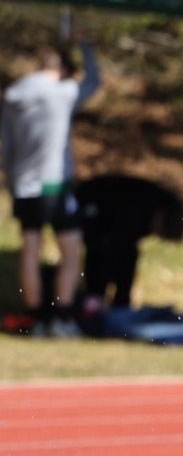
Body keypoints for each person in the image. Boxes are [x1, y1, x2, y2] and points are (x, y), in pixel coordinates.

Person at [3, 39, 101, 337]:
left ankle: (33, 317)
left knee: (30, 249)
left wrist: (10, 179)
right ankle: (62, 317)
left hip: (23, 184)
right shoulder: (61, 92)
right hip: (54, 184)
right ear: (62, 70)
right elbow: (94, 81)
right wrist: (85, 47)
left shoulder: (14, 95)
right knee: (70, 250)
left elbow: (5, 146)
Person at [75, 173, 183, 311]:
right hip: (94, 208)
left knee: (126, 255)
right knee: (103, 254)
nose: (155, 236)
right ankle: (95, 300)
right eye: (160, 234)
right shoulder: (140, 209)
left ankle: (118, 304)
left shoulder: (152, 205)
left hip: (112, 222)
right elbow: (114, 240)